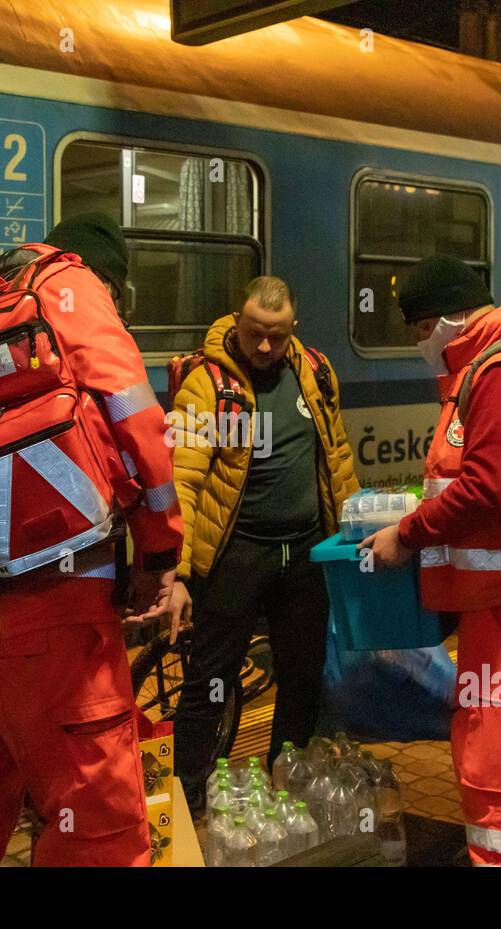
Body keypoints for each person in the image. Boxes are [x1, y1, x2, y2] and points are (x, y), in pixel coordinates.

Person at [0, 213, 182, 866]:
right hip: (64, 627)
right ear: (111, 281)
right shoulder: (75, 288)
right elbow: (139, 423)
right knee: (103, 832)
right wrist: (160, 554)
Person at [360, 254, 501, 867]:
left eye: (417, 330)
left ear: (449, 318)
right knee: (496, 745)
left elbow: (489, 487)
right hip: (500, 600)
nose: (417, 345)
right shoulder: (484, 367)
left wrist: (408, 534)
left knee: (496, 761)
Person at [169, 276, 359, 811]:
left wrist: (353, 537)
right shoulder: (209, 386)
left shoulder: (315, 372)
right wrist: (180, 574)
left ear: (293, 327)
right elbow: (182, 481)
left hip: (303, 555)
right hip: (236, 555)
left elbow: (338, 458)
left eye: (276, 336)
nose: (265, 347)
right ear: (238, 320)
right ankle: (188, 799)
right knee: (211, 679)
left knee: (302, 675)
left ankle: (287, 785)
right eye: (255, 334)